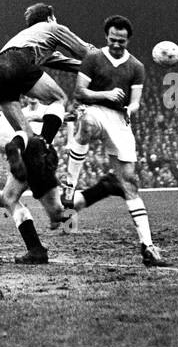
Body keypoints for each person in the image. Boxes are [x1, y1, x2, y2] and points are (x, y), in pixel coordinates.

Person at [0, 100, 121, 264]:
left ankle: (106, 187)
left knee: (57, 213)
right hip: (33, 151)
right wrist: (64, 117)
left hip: (31, 156)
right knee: (9, 198)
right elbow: (28, 117)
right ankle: (36, 249)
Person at [61, 15, 170, 267]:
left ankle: (148, 247)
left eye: (121, 40)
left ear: (127, 39)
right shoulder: (93, 59)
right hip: (95, 108)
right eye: (113, 39)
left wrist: (131, 109)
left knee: (129, 182)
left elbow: (135, 101)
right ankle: (70, 185)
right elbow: (79, 92)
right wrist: (106, 94)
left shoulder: (136, 67)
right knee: (85, 124)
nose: (117, 44)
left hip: (120, 120)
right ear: (106, 37)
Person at [0, 2, 94, 199]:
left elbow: (71, 64)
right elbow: (85, 51)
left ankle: (26, 179)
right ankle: (45, 146)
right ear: (50, 17)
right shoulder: (53, 27)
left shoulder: (29, 38)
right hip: (18, 61)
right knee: (59, 99)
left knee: (28, 140)